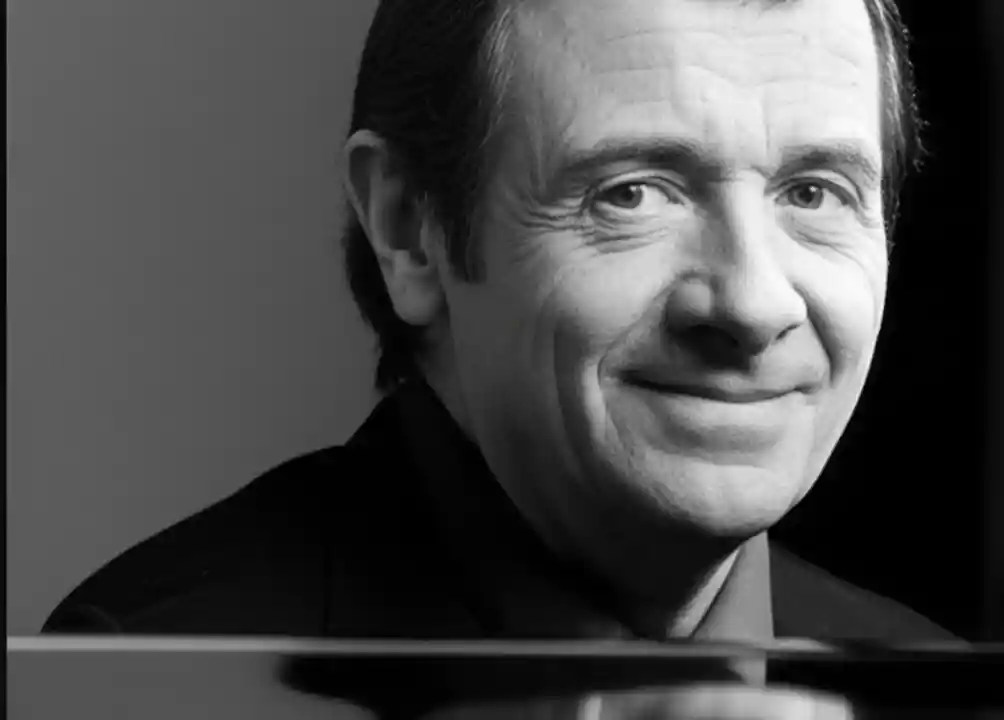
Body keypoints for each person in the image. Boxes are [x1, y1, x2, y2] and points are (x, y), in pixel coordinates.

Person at [45, 0, 957, 646]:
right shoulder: (145, 675)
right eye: (632, 192)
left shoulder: (931, 692)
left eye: (814, 192)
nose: (754, 304)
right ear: (411, 232)